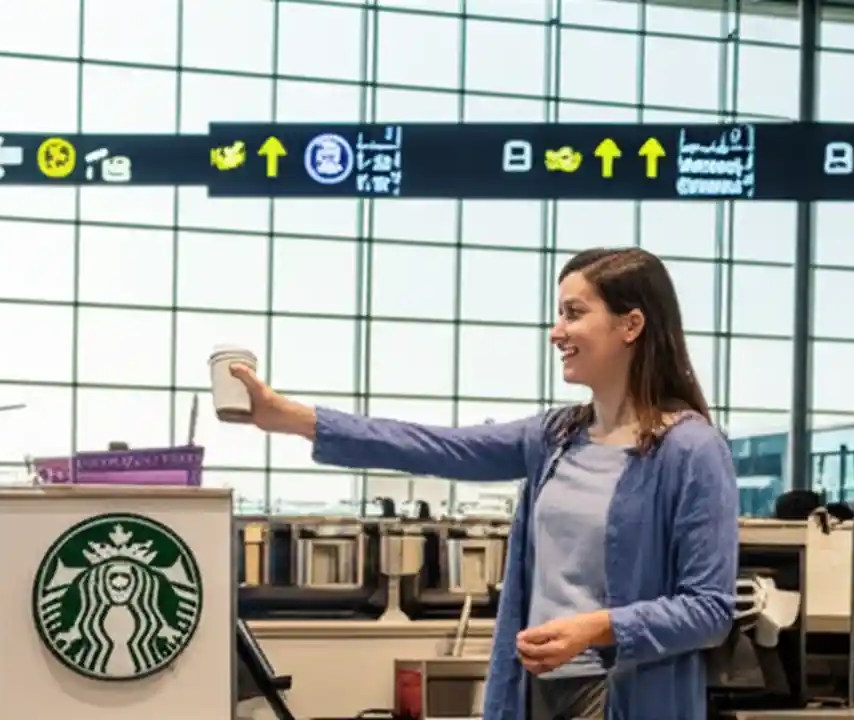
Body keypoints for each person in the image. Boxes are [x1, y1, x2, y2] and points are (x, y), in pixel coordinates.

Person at [228, 246, 739, 720]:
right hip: (531, 690)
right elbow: (432, 445)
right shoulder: (556, 436)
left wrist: (597, 627)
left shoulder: (691, 451)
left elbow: (709, 610)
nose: (556, 331)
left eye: (574, 313)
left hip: (622, 693)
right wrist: (292, 417)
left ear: (631, 325)